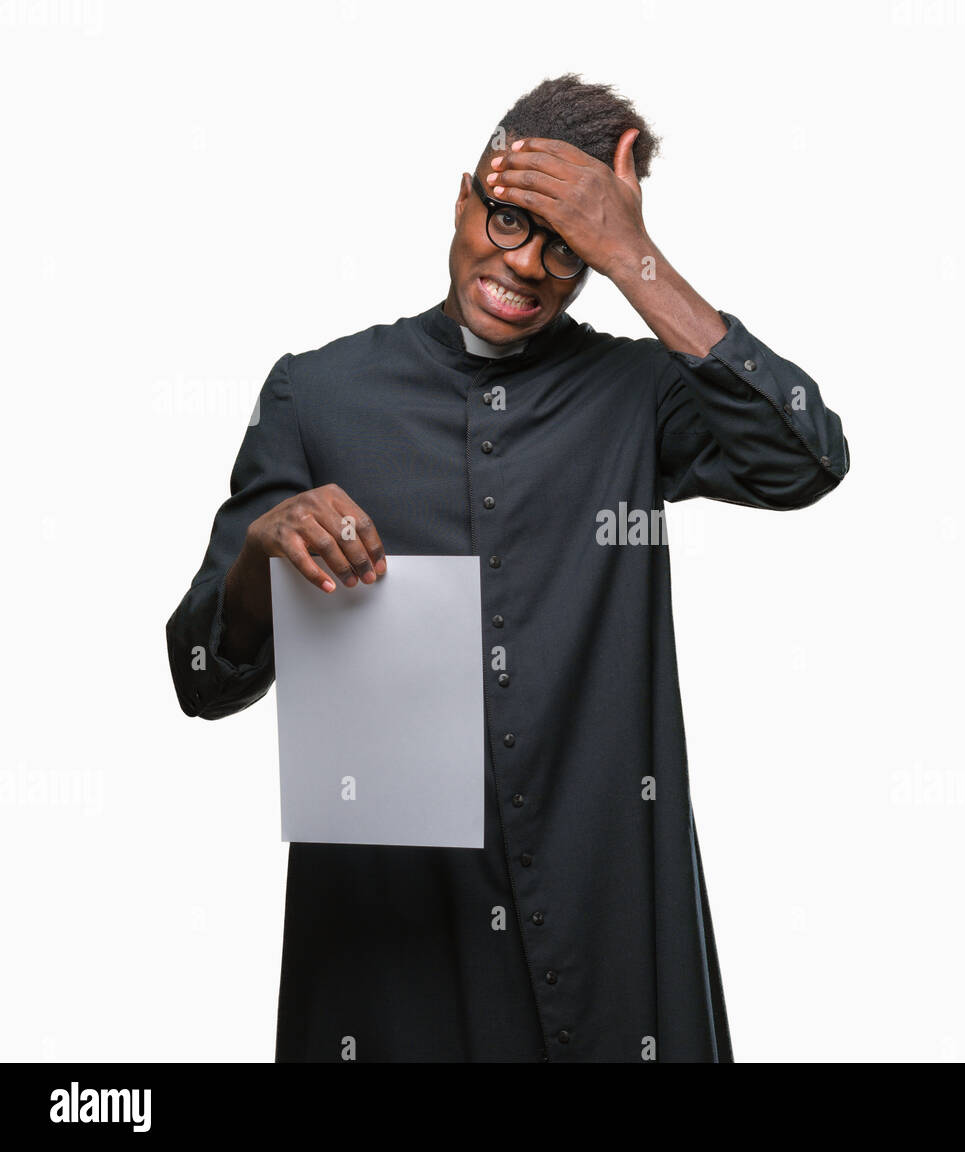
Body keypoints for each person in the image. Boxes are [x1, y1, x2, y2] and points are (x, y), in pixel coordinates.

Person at [165, 73, 849, 1063]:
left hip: (610, 941)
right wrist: (265, 545)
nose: (524, 266)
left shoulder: (636, 397)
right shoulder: (317, 393)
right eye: (508, 219)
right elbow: (200, 678)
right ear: (460, 198)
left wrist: (637, 256)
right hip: (392, 962)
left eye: (568, 247)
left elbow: (803, 458)